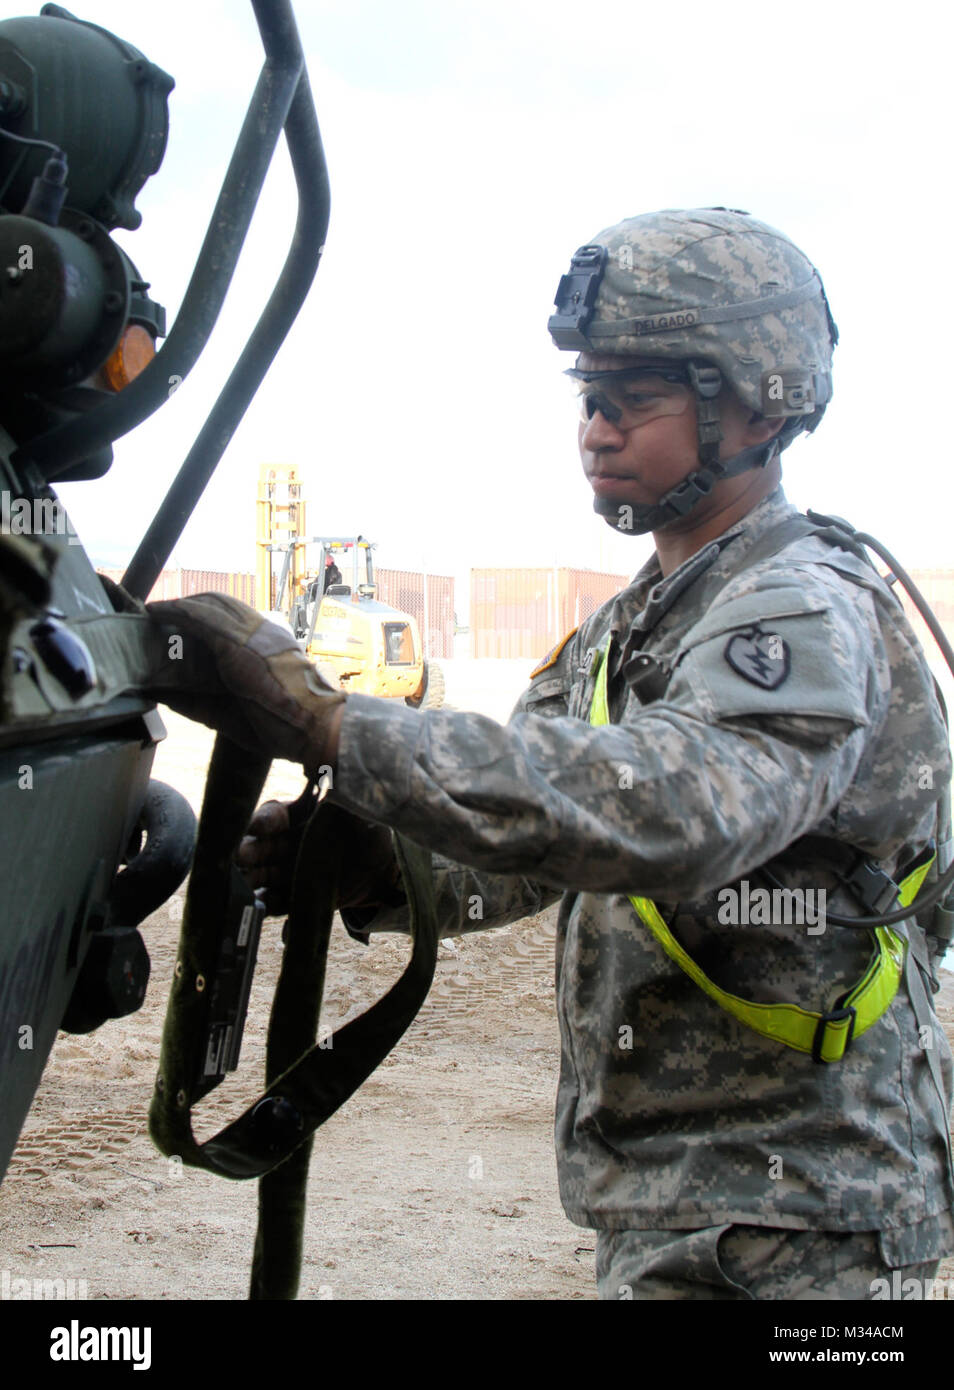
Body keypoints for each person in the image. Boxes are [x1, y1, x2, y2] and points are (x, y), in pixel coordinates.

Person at [145, 208, 954, 1300]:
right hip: (678, 1210)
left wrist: (337, 725)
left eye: (637, 398)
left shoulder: (802, 609)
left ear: (757, 402)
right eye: (590, 397)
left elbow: (672, 812)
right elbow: (543, 837)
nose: (597, 429)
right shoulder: (639, 626)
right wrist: (382, 866)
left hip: (808, 1228)